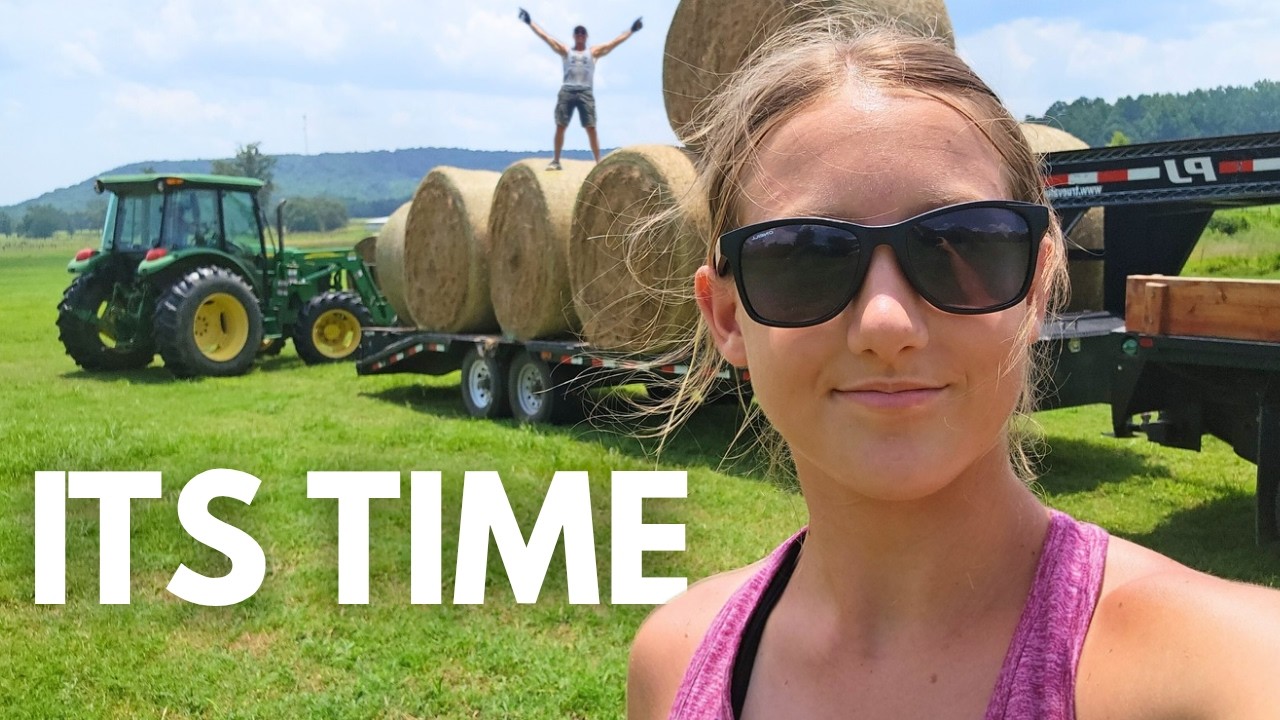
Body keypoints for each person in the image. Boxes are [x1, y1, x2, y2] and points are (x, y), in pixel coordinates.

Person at [625, 19, 1280, 720]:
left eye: (962, 242)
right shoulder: (671, 662)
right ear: (727, 317)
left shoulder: (1225, 671)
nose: (886, 324)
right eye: (805, 255)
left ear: (1034, 289)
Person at [518, 8, 642, 169]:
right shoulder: (566, 51)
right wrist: (529, 22)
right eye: (577, 33)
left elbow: (614, 43)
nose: (580, 35)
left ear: (586, 36)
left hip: (585, 92)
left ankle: (598, 162)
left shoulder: (593, 52)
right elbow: (546, 38)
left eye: (583, 33)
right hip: (567, 90)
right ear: (574, 36)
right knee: (560, 125)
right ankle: (556, 161)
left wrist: (632, 30)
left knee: (591, 127)